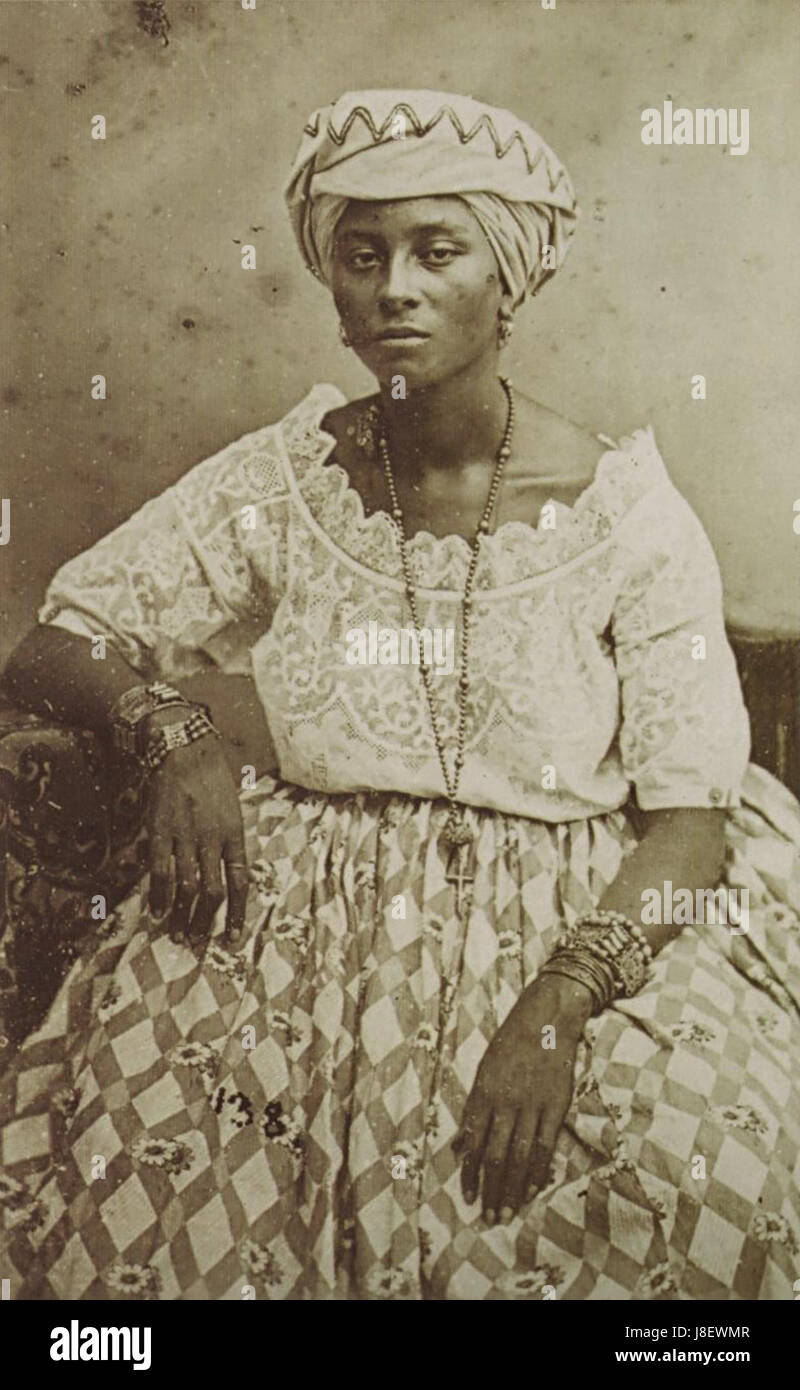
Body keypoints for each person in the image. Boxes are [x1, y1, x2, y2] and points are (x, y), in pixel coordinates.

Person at [1, 88, 799, 1302]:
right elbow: (57, 639)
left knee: (707, 1187)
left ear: (509, 278)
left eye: (439, 251)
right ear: (331, 287)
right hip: (285, 915)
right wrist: (173, 736)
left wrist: (559, 1003)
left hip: (571, 912)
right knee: (147, 1219)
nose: (394, 289)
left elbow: (690, 814)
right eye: (361, 257)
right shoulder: (284, 479)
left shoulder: (626, 513)